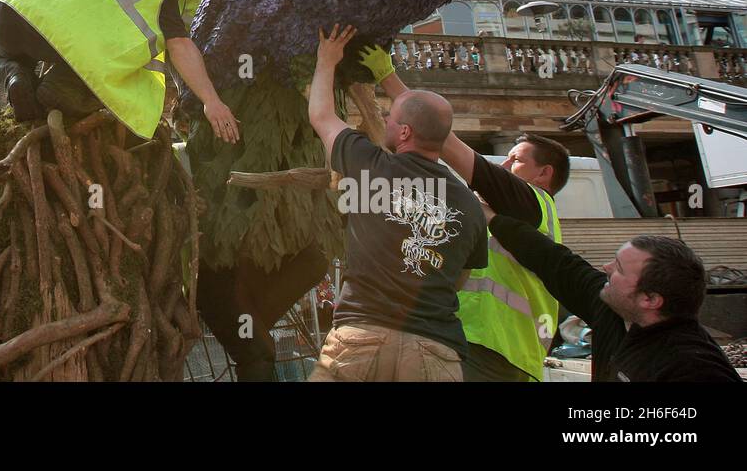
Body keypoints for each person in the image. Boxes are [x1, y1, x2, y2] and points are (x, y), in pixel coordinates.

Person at [359, 44, 570, 382]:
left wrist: (389, 78)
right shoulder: (521, 213)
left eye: (516, 159)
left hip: (492, 348)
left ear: (543, 173)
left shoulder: (529, 201)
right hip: (504, 350)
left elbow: (445, 141)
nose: (505, 163)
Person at [306, 24, 488, 381]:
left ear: (404, 132)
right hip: (435, 350)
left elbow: (322, 117)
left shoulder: (369, 164)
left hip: (359, 340)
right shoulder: (469, 203)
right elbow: (459, 278)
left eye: (391, 117)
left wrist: (326, 61)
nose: (385, 120)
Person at [0, 0, 239, 143]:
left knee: (1, 54)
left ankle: (15, 76)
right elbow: (180, 45)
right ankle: (58, 91)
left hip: (9, 8)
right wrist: (212, 101)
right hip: (53, 35)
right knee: (116, 72)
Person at [486, 217, 741, 382]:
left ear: (650, 299)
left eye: (619, 268)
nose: (606, 267)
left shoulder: (692, 367)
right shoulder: (613, 310)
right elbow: (555, 261)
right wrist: (492, 218)